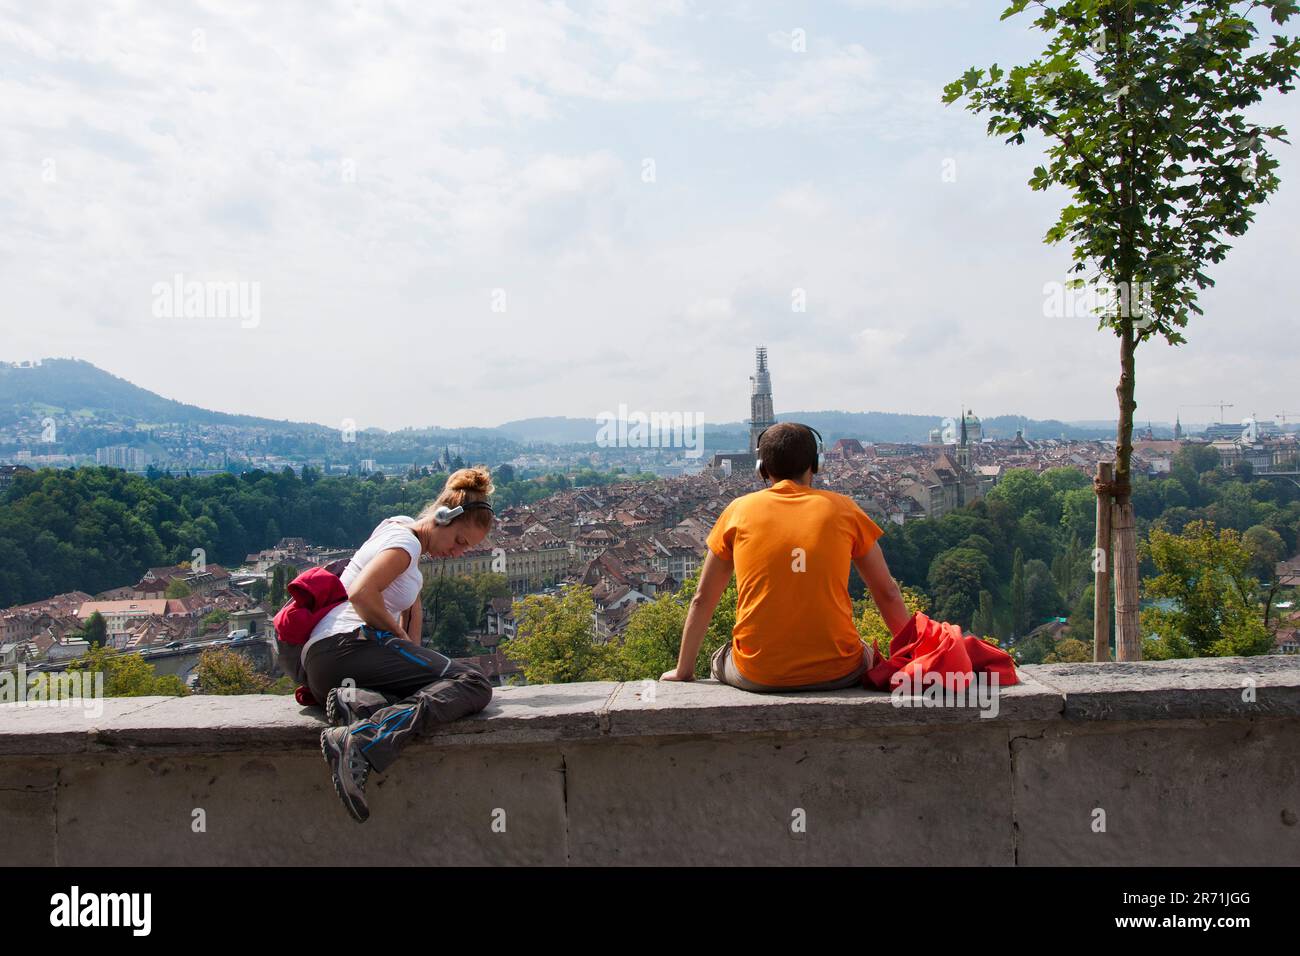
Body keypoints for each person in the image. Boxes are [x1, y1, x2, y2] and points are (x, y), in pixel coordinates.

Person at [662, 422, 912, 691]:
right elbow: (887, 592)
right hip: (839, 670)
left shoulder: (738, 511)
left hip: (757, 674)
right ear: (816, 464)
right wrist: (915, 654)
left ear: (762, 469)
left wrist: (684, 670)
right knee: (862, 649)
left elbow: (702, 599)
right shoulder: (845, 510)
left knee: (720, 656)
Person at [311, 467, 496, 823]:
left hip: (327, 663)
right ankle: (362, 740)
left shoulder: (396, 527)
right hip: (346, 648)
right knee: (473, 683)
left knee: (428, 688)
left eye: (467, 549)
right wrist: (400, 643)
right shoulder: (406, 544)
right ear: (443, 518)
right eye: (459, 541)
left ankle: (357, 704)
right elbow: (361, 593)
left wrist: (411, 651)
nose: (459, 553)